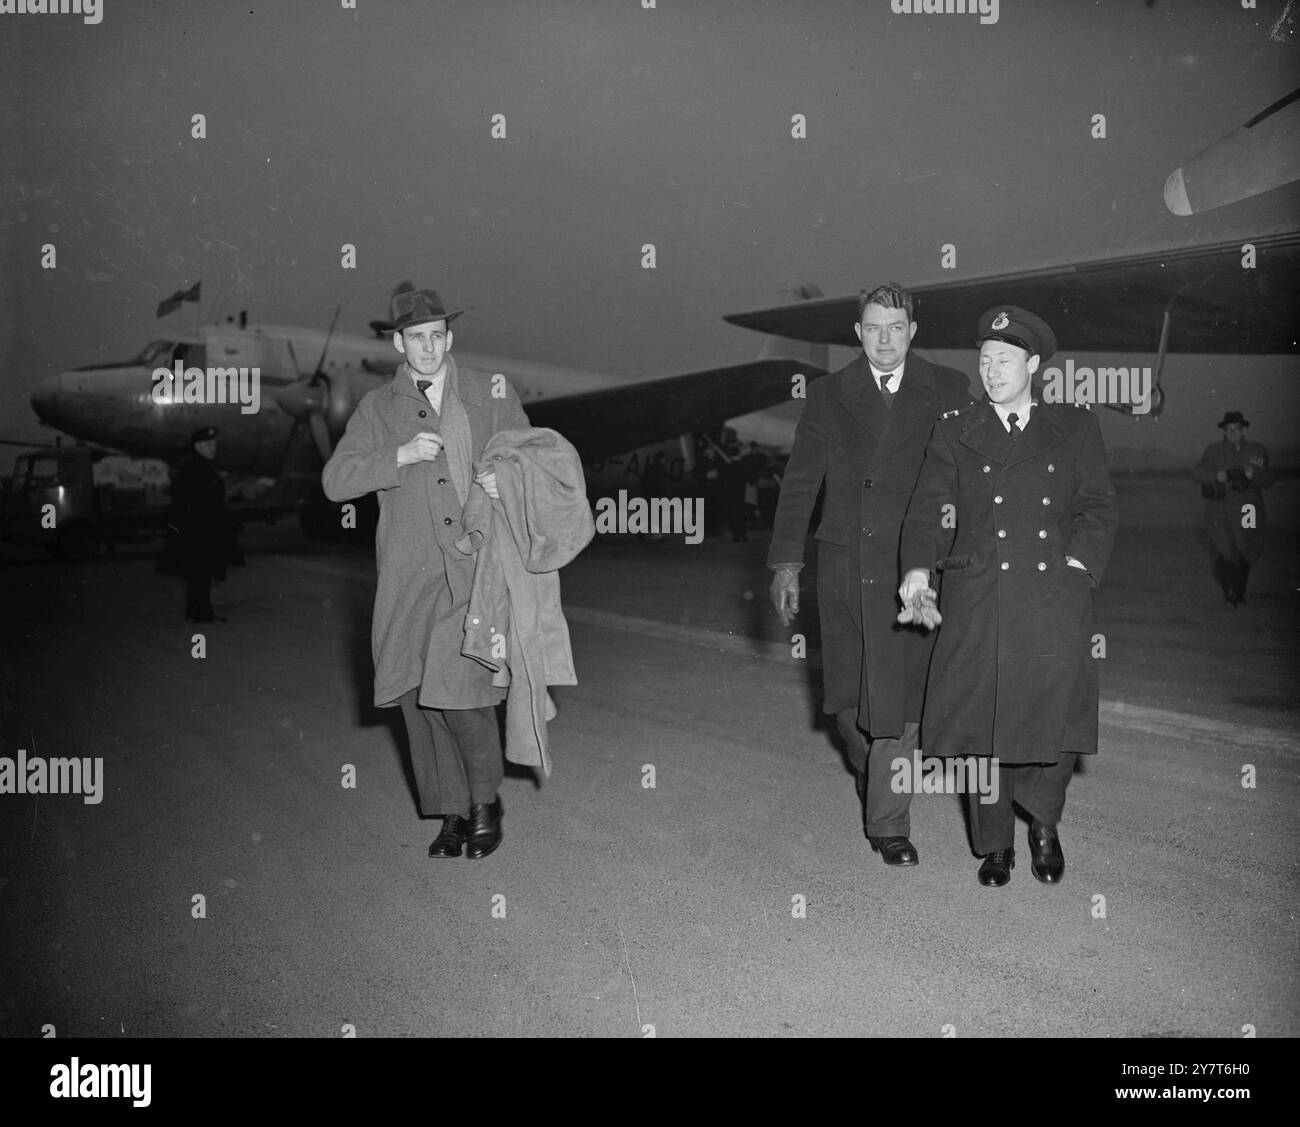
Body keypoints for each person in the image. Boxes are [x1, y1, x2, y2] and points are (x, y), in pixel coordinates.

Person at [899, 306, 1119, 888]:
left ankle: (1044, 823)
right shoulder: (955, 429)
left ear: (1034, 363)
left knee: (1055, 719)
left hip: (1052, 598)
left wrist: (1077, 564)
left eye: (1004, 360)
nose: (991, 370)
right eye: (984, 360)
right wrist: (917, 574)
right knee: (983, 725)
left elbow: (1097, 506)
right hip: (980, 598)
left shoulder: (1075, 427)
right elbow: (929, 509)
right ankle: (995, 847)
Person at [767, 282, 973, 867]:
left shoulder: (949, 388)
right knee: (848, 709)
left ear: (913, 331)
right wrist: (787, 563)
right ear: (858, 334)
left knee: (900, 706)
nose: (885, 340)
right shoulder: (831, 394)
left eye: (896, 327)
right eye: (873, 329)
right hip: (845, 569)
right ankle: (872, 771)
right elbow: (801, 482)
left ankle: (890, 824)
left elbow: (969, 477)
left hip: (916, 572)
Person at [322, 288, 530, 860]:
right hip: (408, 576)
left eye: (438, 334)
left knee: (460, 694)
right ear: (398, 342)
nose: (429, 346)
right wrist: (398, 458)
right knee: (420, 699)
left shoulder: (490, 390)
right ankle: (452, 813)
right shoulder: (377, 408)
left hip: (473, 571)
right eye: (417, 337)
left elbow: (525, 454)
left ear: (450, 338)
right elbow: (336, 481)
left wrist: (503, 479)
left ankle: (486, 803)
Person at [1191, 411, 1273, 606]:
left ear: (1243, 430)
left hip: (1248, 509)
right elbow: (1196, 473)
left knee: (1244, 549)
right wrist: (1216, 475)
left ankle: (1238, 593)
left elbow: (1269, 478)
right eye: (1229, 429)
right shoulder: (1214, 450)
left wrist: (1253, 476)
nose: (1233, 433)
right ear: (1224, 431)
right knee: (1223, 551)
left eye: (1237, 429)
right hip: (1220, 509)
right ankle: (1229, 593)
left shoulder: (1256, 451)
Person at [168, 426, 228, 623]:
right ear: (198, 446)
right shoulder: (196, 468)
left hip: (199, 529)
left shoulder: (196, 465)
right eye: (209, 445)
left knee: (198, 573)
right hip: (200, 530)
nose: (214, 448)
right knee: (202, 573)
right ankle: (203, 613)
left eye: (214, 444)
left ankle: (194, 610)